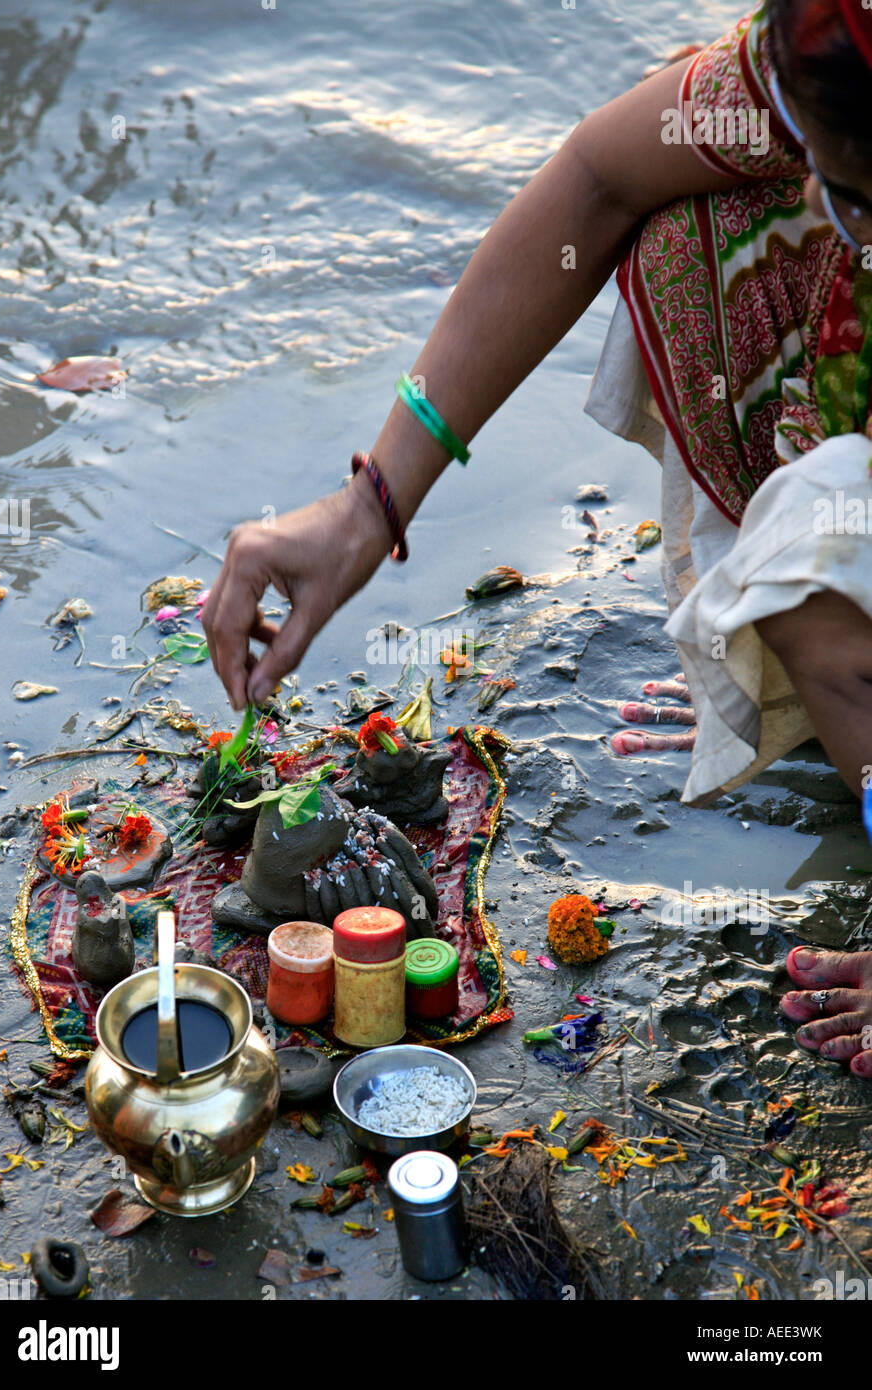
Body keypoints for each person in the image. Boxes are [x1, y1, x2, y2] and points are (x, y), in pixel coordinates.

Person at [202, 1, 872, 1071]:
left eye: (850, 196)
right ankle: (830, 687)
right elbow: (600, 180)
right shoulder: (837, 41)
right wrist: (369, 508)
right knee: (690, 218)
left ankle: (841, 657)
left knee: (817, 567)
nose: (820, 201)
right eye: (836, 180)